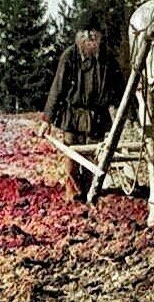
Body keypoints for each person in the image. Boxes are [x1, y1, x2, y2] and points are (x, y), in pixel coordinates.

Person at [38, 17, 124, 201]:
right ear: (79, 38)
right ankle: (74, 195)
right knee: (72, 158)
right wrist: (47, 120)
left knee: (93, 158)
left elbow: (119, 90)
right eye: (86, 35)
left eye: (94, 35)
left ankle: (90, 193)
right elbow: (57, 89)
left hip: (97, 117)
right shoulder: (70, 57)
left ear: (99, 38)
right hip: (73, 115)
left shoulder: (108, 59)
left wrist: (127, 116)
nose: (90, 39)